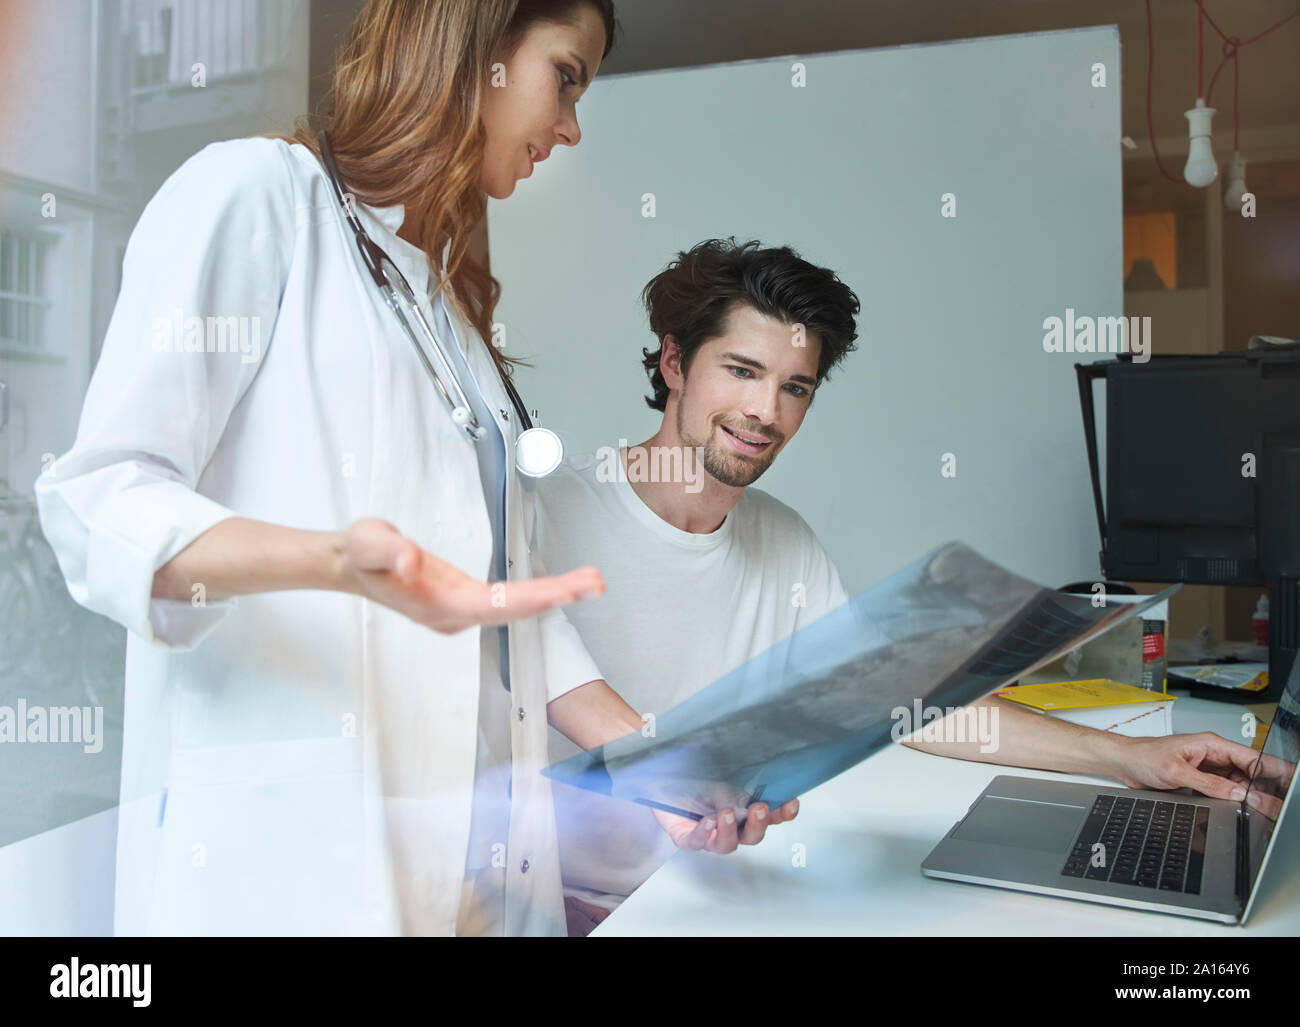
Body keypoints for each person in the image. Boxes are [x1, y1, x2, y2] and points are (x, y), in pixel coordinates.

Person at [34, 0, 795, 939]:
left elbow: (520, 617)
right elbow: (97, 496)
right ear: (482, 43)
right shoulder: (258, 197)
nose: (570, 125)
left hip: (480, 871)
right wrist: (330, 561)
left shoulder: (446, 309)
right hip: (300, 865)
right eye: (567, 75)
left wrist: (658, 758)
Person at [533, 237, 1275, 934]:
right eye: (741, 370)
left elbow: (904, 708)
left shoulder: (782, 537)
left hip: (721, 892)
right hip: (573, 904)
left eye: (796, 386)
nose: (766, 412)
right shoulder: (545, 516)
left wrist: (1129, 758)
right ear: (673, 362)